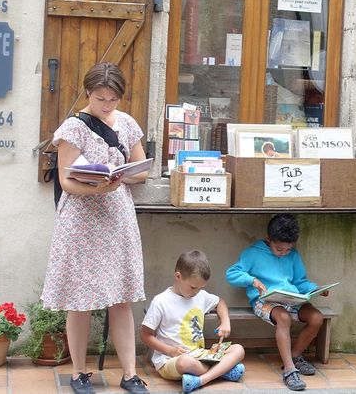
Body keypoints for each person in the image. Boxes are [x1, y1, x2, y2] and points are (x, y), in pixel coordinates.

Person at [42, 62, 151, 394]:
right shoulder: (73, 128)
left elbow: (142, 170)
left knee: (121, 297)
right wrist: (98, 187)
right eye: (101, 98)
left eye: (113, 99)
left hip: (117, 219)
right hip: (82, 222)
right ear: (88, 92)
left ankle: (130, 373)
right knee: (81, 299)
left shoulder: (128, 123)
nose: (107, 105)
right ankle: (78, 373)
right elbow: (65, 181)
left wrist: (121, 174)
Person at [225, 214, 327, 391]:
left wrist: (315, 288)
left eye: (289, 249)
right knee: (284, 317)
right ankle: (289, 370)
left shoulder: (293, 255)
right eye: (279, 249)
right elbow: (231, 274)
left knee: (317, 317)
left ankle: (294, 356)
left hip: (291, 299)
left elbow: (300, 281)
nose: (284, 253)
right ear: (268, 239)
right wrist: (252, 280)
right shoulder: (253, 253)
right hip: (264, 301)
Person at [141, 250, 246, 393]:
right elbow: (145, 335)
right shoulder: (161, 302)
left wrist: (225, 321)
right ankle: (222, 371)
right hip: (171, 360)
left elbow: (219, 302)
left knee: (238, 349)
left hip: (200, 355)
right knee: (186, 362)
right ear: (178, 276)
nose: (196, 292)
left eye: (201, 288)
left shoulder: (200, 296)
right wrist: (170, 350)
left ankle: (201, 380)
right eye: (193, 287)